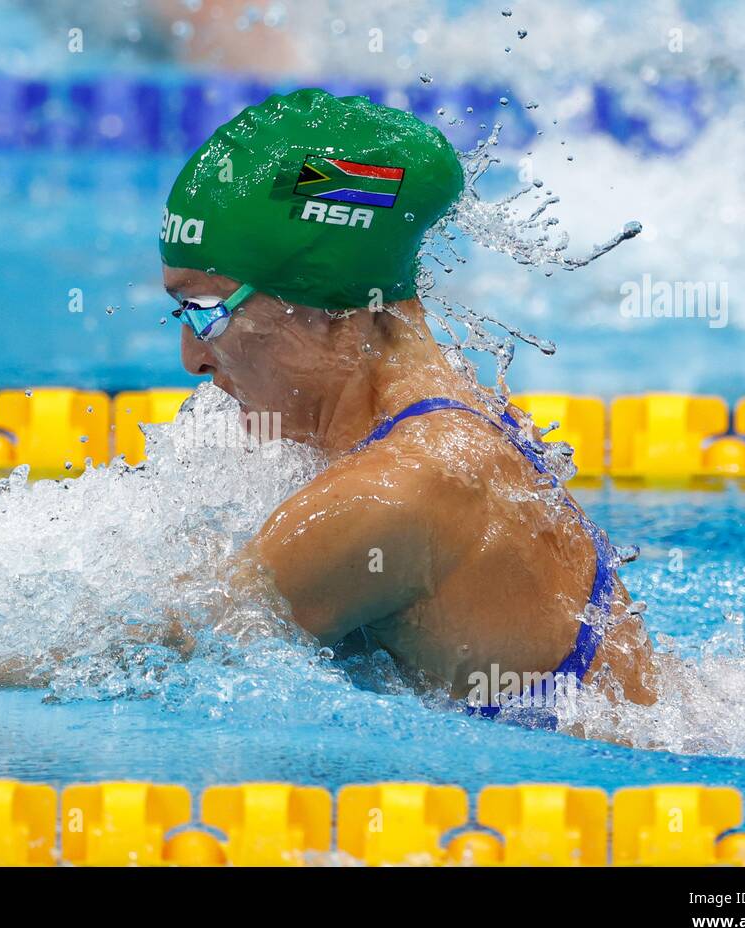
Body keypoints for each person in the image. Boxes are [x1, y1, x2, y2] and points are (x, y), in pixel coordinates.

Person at [160, 88, 655, 713]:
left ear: (328, 310)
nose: (192, 358)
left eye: (205, 313)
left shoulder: (392, 496)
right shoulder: (457, 419)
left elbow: (106, 655)